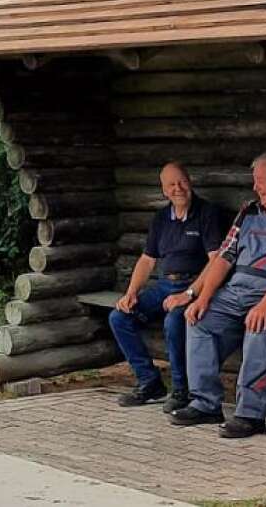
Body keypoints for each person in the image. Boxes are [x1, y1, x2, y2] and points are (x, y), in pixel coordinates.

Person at [165, 152, 266, 438]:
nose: (255, 187)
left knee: (260, 326)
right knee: (197, 319)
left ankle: (251, 415)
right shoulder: (248, 211)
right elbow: (223, 258)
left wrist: (264, 307)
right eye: (255, 181)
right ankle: (205, 403)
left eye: (261, 181)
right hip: (237, 291)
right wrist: (202, 298)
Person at [108, 162, 223, 412]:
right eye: (171, 184)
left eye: (181, 181)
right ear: (163, 190)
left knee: (174, 321)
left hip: (195, 286)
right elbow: (147, 260)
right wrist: (131, 293)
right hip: (163, 286)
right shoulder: (161, 218)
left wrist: (188, 293)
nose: (178, 188)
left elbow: (216, 261)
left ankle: (181, 390)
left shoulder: (207, 213)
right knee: (119, 317)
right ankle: (149, 382)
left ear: (189, 181)